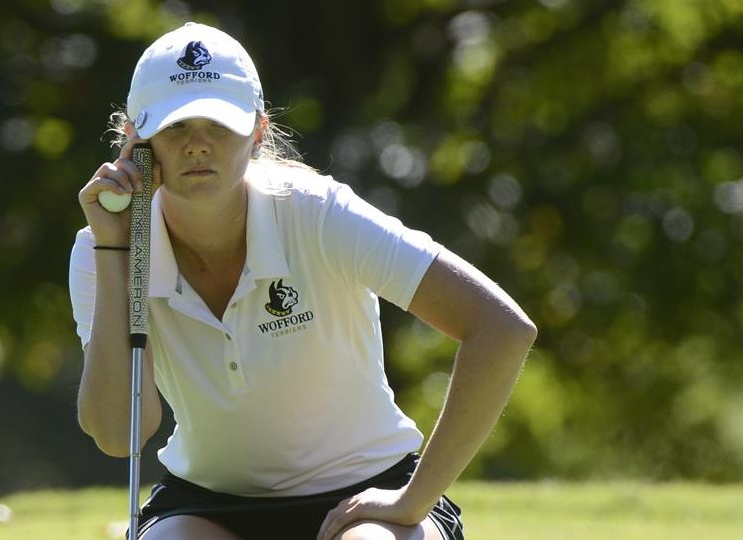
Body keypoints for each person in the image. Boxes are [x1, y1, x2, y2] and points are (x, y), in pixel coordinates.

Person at [70, 22, 537, 540]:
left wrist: (414, 500)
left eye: (219, 125)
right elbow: (118, 434)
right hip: (208, 504)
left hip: (365, 490)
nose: (197, 146)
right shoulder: (102, 247)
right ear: (136, 139)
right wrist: (115, 250)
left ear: (258, 131)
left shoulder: (319, 213)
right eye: (175, 127)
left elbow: (501, 327)